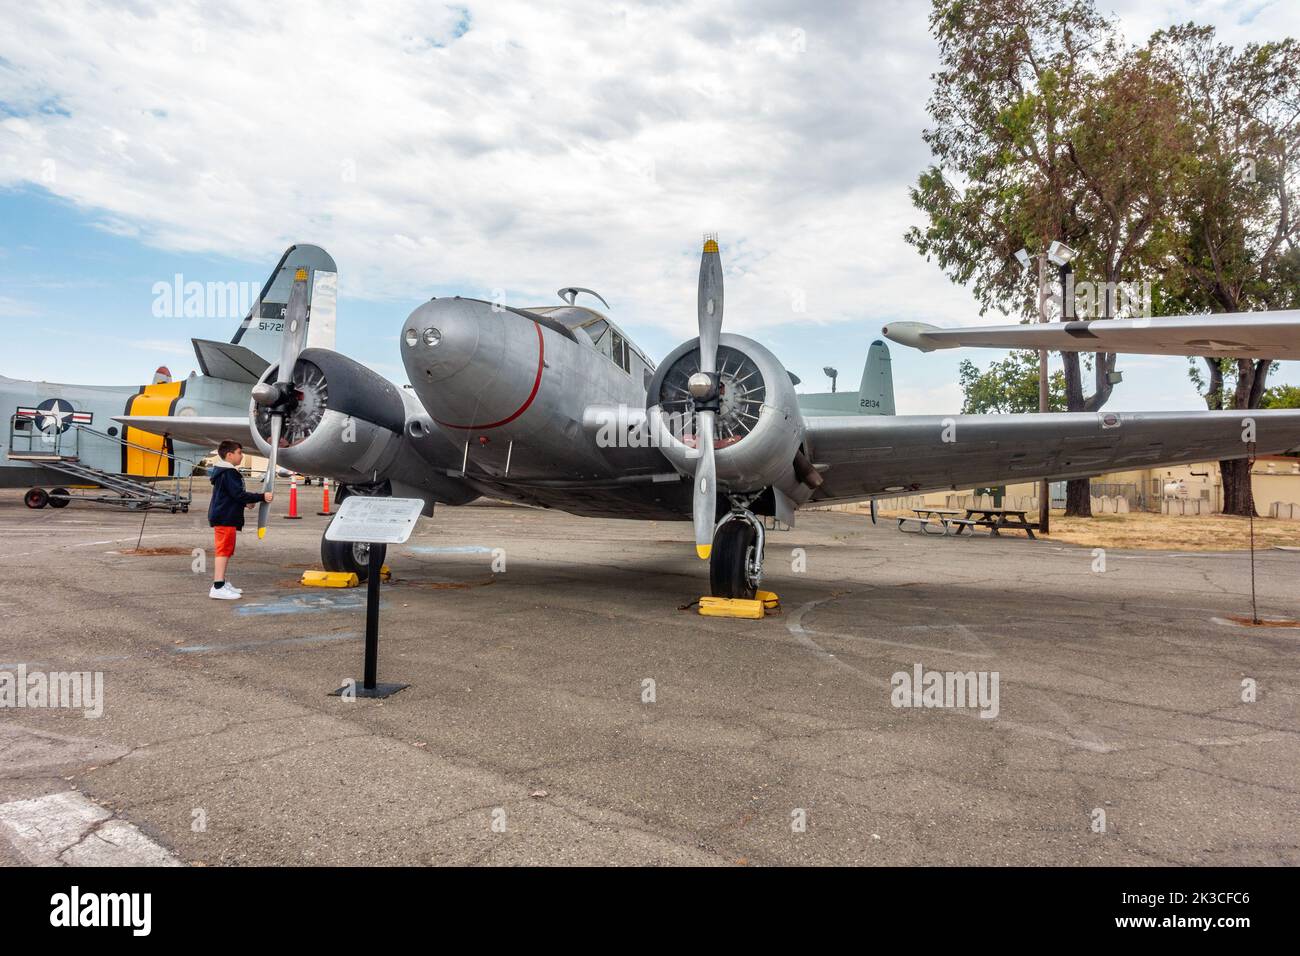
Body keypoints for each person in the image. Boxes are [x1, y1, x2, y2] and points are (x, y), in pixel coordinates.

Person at [207, 440, 272, 600]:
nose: (242, 456)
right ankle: (218, 586)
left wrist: (245, 503)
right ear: (229, 455)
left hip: (225, 516)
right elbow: (238, 494)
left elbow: (231, 496)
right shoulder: (228, 473)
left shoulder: (225, 472)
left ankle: (221, 582)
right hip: (225, 517)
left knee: (226, 550)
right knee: (223, 550)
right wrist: (261, 497)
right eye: (239, 452)